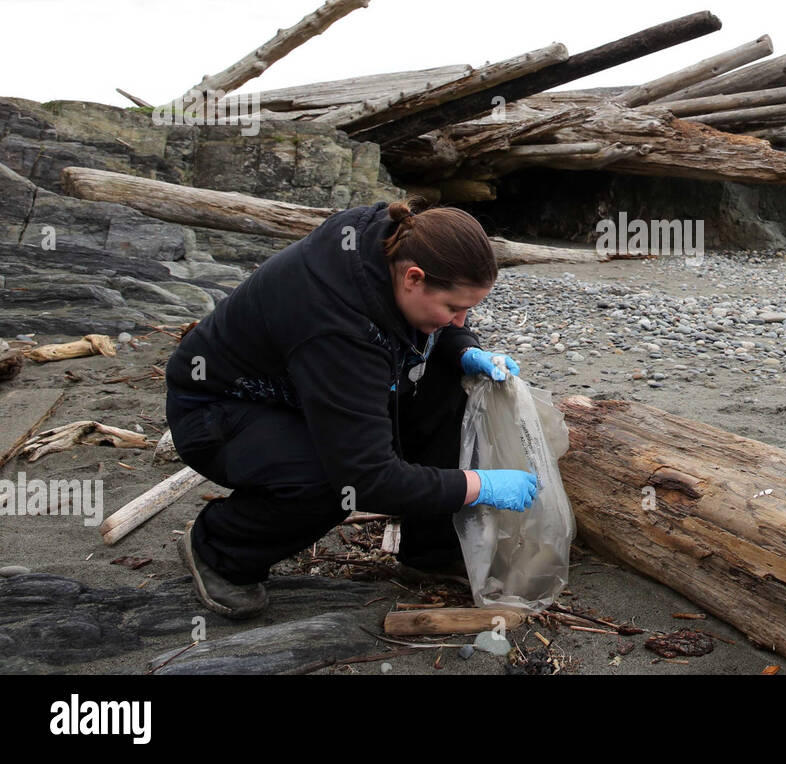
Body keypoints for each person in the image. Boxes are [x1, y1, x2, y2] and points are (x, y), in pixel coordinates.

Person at [163, 197, 536, 619]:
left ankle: (430, 551)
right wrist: (478, 485)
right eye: (454, 308)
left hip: (307, 393)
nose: (460, 319)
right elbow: (365, 477)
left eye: (469, 310)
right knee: (331, 480)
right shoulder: (337, 328)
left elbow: (433, 335)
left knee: (458, 384)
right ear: (414, 278)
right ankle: (220, 550)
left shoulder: (394, 249)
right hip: (221, 411)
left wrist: (464, 350)